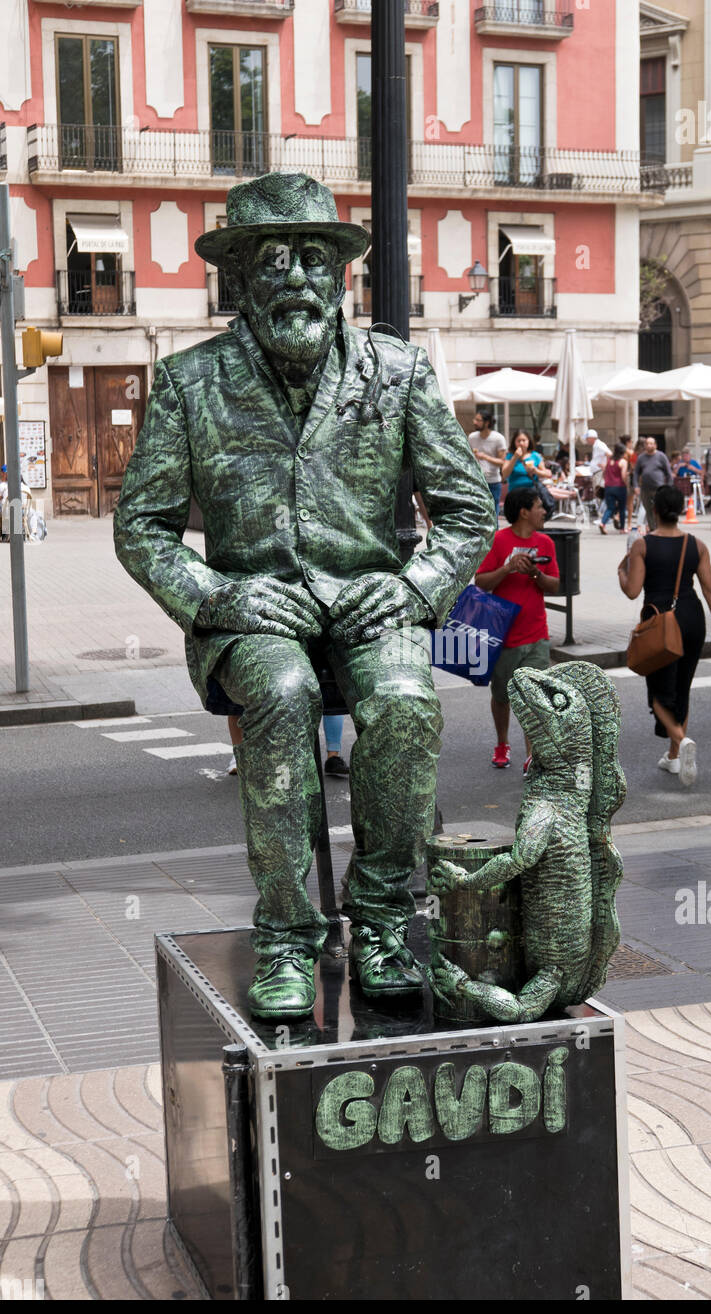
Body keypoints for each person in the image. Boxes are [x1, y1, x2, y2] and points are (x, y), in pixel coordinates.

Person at [114, 172, 494, 1020]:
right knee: (283, 696)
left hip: (371, 601)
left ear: (342, 276)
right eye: (273, 259)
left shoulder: (395, 372)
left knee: (403, 703)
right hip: (253, 610)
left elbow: (469, 510)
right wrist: (217, 597)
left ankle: (387, 918)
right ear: (240, 279)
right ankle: (287, 933)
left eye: (315, 258)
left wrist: (414, 586)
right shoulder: (189, 382)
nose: (296, 276)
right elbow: (141, 526)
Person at [617, 484, 711, 787]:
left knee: (658, 693)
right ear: (681, 510)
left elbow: (632, 591)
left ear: (654, 510)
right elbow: (710, 590)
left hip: (659, 621)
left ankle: (681, 742)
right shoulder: (697, 545)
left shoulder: (642, 545)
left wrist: (621, 571)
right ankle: (672, 756)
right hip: (692, 619)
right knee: (682, 687)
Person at [475, 487, 560, 774]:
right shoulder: (498, 541)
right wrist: (508, 568)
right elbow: (482, 582)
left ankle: (531, 755)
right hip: (503, 635)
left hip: (537, 633)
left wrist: (536, 573)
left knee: (535, 698)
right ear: (524, 511)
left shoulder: (546, 542)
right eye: (539, 507)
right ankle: (502, 743)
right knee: (501, 695)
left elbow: (555, 585)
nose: (544, 511)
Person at [468, 409, 507, 517]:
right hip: (476, 482)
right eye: (475, 419)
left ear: (487, 423)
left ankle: (495, 534)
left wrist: (485, 457)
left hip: (493, 482)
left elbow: (502, 462)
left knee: (493, 515)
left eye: (478, 420)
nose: (474, 422)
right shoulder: (472, 437)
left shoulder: (498, 438)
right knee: (477, 515)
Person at [634, 436, 673, 530]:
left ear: (655, 445)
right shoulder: (641, 457)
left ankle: (660, 527)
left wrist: (669, 487)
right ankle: (652, 528)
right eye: (647, 444)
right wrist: (635, 486)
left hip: (659, 488)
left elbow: (668, 473)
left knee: (659, 509)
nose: (649, 445)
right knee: (648, 509)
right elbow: (636, 473)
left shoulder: (661, 456)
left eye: (651, 443)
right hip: (645, 488)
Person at [599, 441, 629, 533]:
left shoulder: (609, 461)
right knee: (622, 508)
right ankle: (622, 529)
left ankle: (602, 523)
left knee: (610, 508)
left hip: (608, 487)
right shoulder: (623, 461)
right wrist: (626, 484)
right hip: (620, 487)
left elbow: (604, 473)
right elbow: (623, 476)